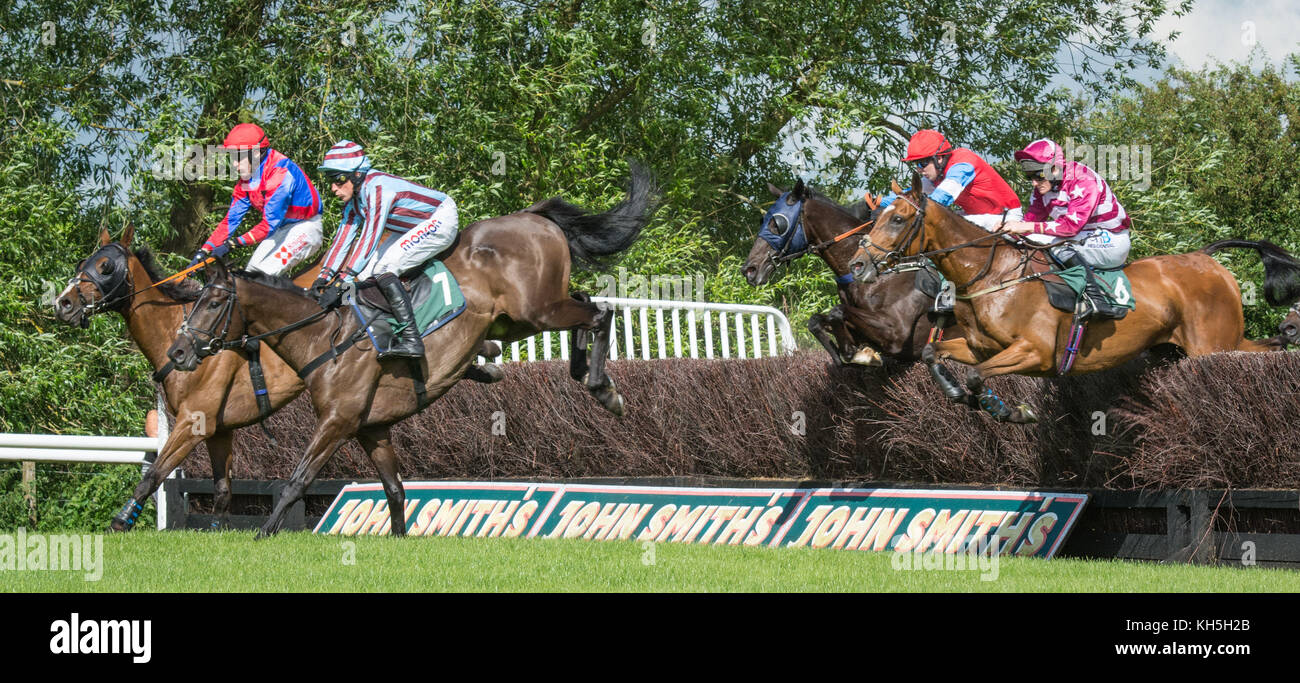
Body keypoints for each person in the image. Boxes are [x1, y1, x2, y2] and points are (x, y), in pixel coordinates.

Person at [313, 140, 459, 359]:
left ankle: (411, 339)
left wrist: (343, 280)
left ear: (357, 175)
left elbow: (369, 238)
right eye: (330, 180)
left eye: (339, 179)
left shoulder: (378, 189)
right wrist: (323, 277)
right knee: (362, 275)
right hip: (409, 228)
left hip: (440, 217)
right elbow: (343, 239)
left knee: (384, 267)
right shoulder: (354, 200)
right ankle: (379, 329)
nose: (333, 187)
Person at [1002, 138, 1132, 320]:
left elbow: (1070, 227)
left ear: (1055, 168)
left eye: (1039, 175)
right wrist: (1004, 231)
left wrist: (1026, 226)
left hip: (1110, 239)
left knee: (1055, 244)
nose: (1034, 183)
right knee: (1031, 242)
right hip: (1082, 238)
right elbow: (1029, 224)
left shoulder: (1083, 179)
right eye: (1029, 177)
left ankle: (1097, 299)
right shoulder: (1042, 188)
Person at [190, 123, 323, 275]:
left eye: (239, 157)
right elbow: (230, 221)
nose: (234, 164)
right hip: (281, 230)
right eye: (233, 157)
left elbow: (268, 224)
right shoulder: (247, 179)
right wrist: (205, 250)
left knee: (261, 278)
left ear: (256, 153)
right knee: (250, 275)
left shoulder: (279, 174)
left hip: (305, 228)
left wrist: (233, 244)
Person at [876, 129, 1022, 230]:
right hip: (978, 215)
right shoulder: (937, 175)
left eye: (922, 163)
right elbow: (909, 196)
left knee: (940, 225)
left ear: (939, 158)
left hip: (1005, 216)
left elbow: (941, 199)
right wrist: (876, 202)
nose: (919, 169)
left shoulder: (963, 165)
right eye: (916, 165)